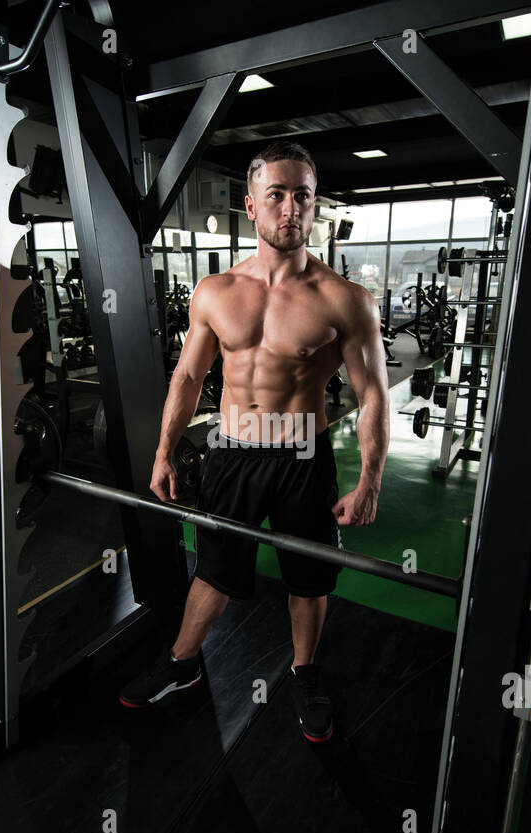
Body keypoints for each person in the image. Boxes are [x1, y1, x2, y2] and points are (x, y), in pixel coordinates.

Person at [118, 141, 390, 743]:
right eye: (277, 195)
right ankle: (181, 664)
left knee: (309, 577)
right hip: (234, 451)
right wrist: (164, 451)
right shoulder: (215, 292)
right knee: (213, 570)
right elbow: (188, 376)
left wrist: (369, 479)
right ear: (251, 206)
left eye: (303, 196)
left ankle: (305, 672)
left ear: (315, 207)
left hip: (302, 453)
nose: (290, 208)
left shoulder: (345, 300)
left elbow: (373, 394)